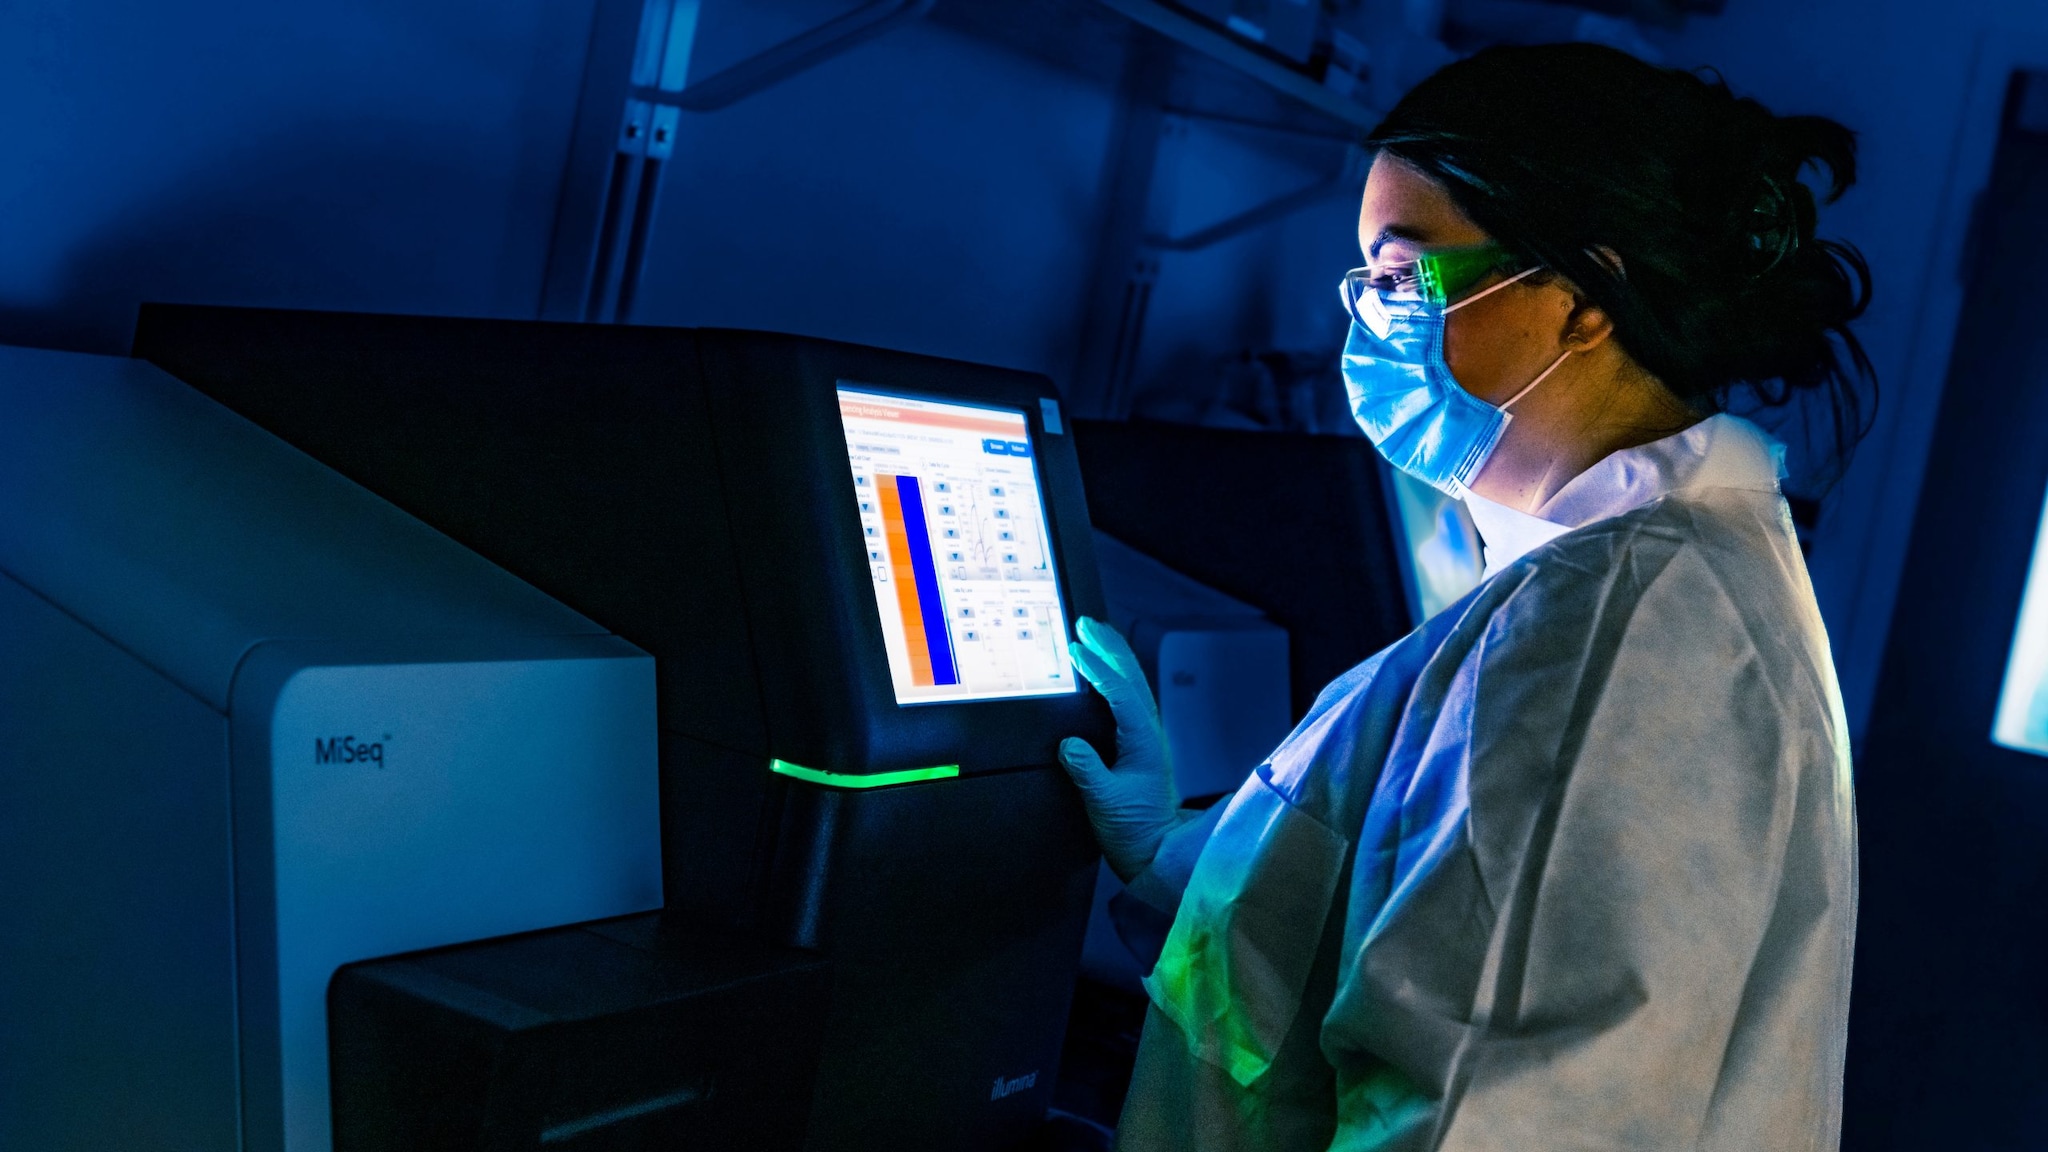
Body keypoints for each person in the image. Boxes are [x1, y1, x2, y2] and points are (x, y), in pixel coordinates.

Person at [1058, 42, 1868, 1151]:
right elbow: (1411, 931)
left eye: (1399, 276)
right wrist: (1172, 854)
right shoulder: (1613, 581)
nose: (1362, 323)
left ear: (1579, 298)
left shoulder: (1618, 633)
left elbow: (1489, 1107)